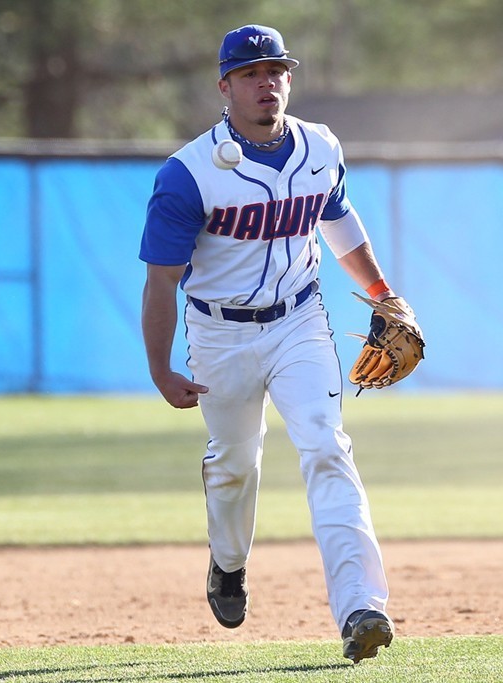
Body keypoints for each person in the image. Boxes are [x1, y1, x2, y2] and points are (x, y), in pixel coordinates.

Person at [139, 24, 403, 664]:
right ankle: (227, 565)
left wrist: (384, 295)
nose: (267, 82)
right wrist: (160, 369)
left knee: (327, 446)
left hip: (299, 322)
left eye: (277, 70)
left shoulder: (319, 146)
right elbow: (161, 279)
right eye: (252, 73)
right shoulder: (189, 173)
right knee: (235, 465)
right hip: (218, 330)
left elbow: (338, 222)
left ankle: (362, 608)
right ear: (225, 86)